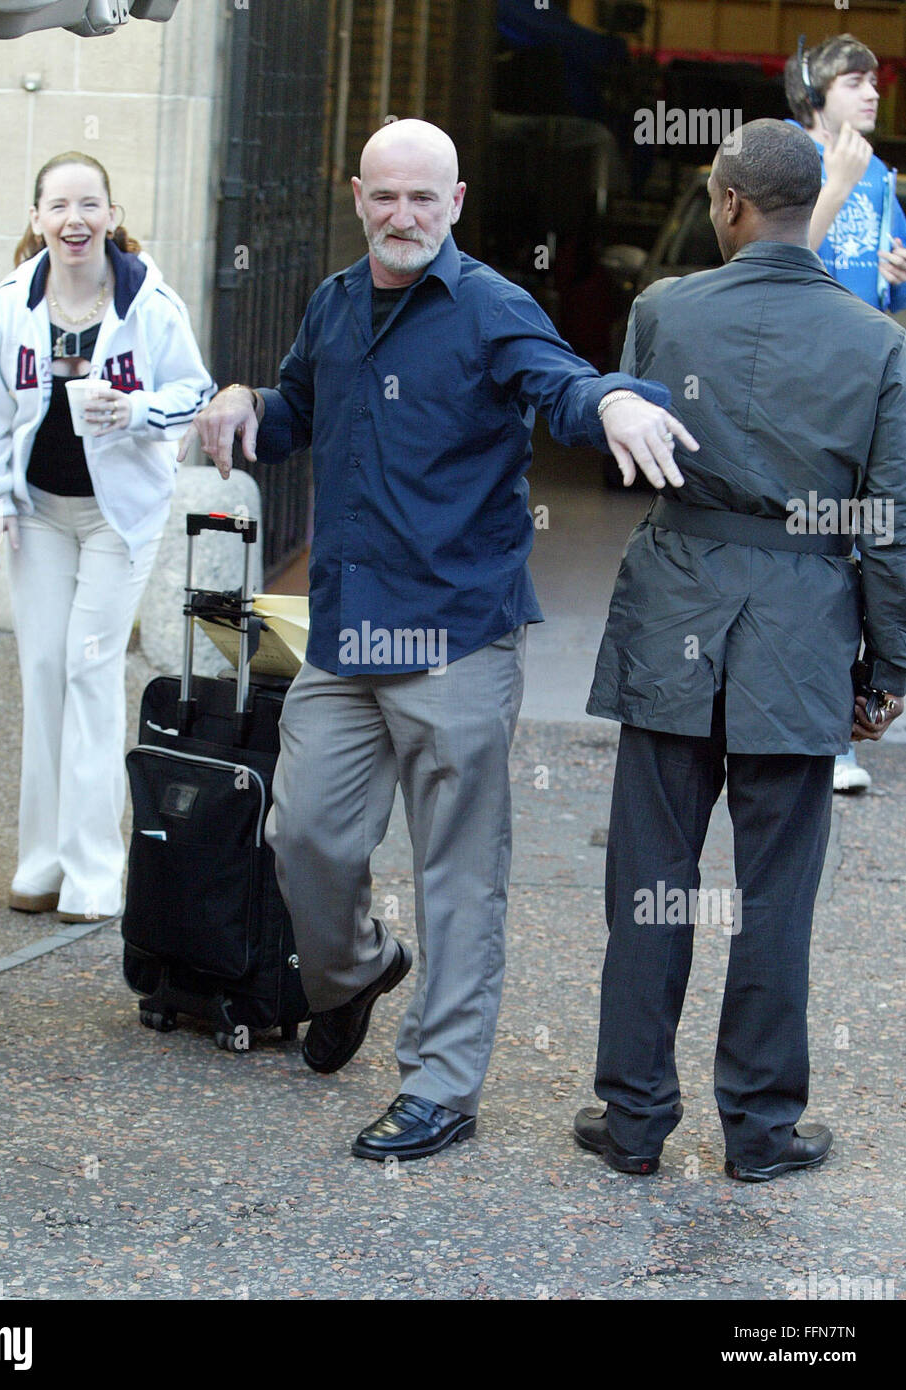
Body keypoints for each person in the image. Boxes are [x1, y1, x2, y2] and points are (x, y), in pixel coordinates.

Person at [180, 117, 697, 1161]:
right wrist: (239, 403)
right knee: (303, 835)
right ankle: (358, 967)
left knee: (458, 872)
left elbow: (561, 383)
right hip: (344, 632)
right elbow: (295, 417)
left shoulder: (490, 307)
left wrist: (614, 406)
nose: (402, 215)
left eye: (424, 198)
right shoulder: (332, 301)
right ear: (358, 196)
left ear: (454, 204)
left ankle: (440, 1085)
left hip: (456, 637)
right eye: (385, 196)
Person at [578, 119, 906, 1182]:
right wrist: (887, 668)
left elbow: (626, 455)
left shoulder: (662, 308)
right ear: (813, 202)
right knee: (772, 897)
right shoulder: (875, 340)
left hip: (676, 604)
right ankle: (758, 1132)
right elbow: (888, 522)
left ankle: (632, 1122)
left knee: (649, 884)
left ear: (723, 202)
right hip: (800, 625)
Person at [0, 151, 214, 923]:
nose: (75, 219)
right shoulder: (8, 305)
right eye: (59, 205)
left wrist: (136, 412)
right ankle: (40, 863)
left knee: (89, 668)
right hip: (39, 512)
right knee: (43, 668)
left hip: (118, 518)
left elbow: (194, 391)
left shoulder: (148, 303)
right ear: (37, 218)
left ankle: (96, 871)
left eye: (89, 204)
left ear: (111, 215)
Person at [785, 32, 906, 792]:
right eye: (853, 81)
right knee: (810, 556)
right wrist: (832, 185)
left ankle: (841, 731)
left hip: (865, 378)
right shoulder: (787, 161)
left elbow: (883, 295)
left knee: (865, 558)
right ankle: (808, 733)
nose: (870, 94)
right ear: (814, 93)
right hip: (800, 384)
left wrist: (898, 275)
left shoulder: (883, 175)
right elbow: (772, 257)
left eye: (874, 82)